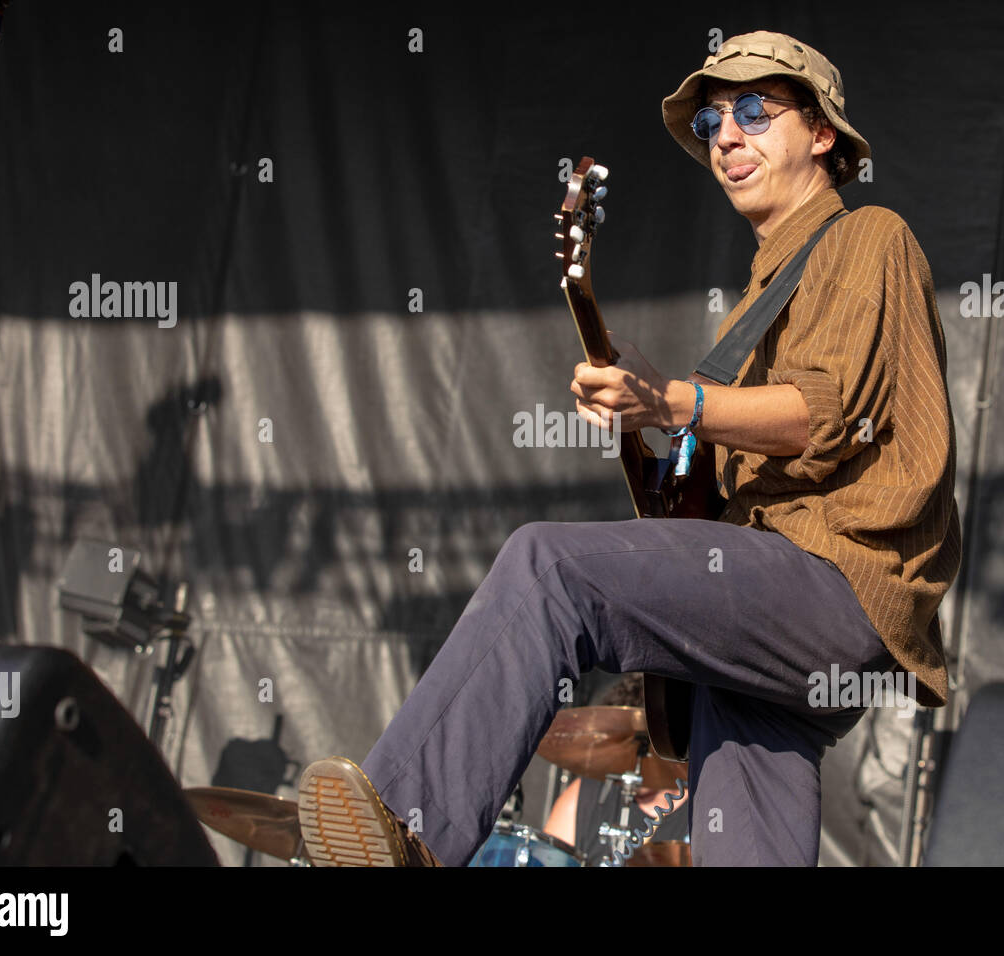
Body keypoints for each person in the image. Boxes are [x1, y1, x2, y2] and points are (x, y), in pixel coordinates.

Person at [295, 30, 961, 867]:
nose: (726, 135)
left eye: (755, 110)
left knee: (551, 568)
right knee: (748, 821)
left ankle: (412, 830)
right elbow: (725, 479)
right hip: (790, 615)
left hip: (835, 577)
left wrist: (674, 400)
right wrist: (656, 419)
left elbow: (821, 418)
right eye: (714, 120)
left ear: (823, 134)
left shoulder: (869, 238)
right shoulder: (758, 298)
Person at [540, 673, 691, 865]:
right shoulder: (583, 796)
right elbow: (548, 860)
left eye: (643, 747)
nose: (631, 758)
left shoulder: (705, 809)